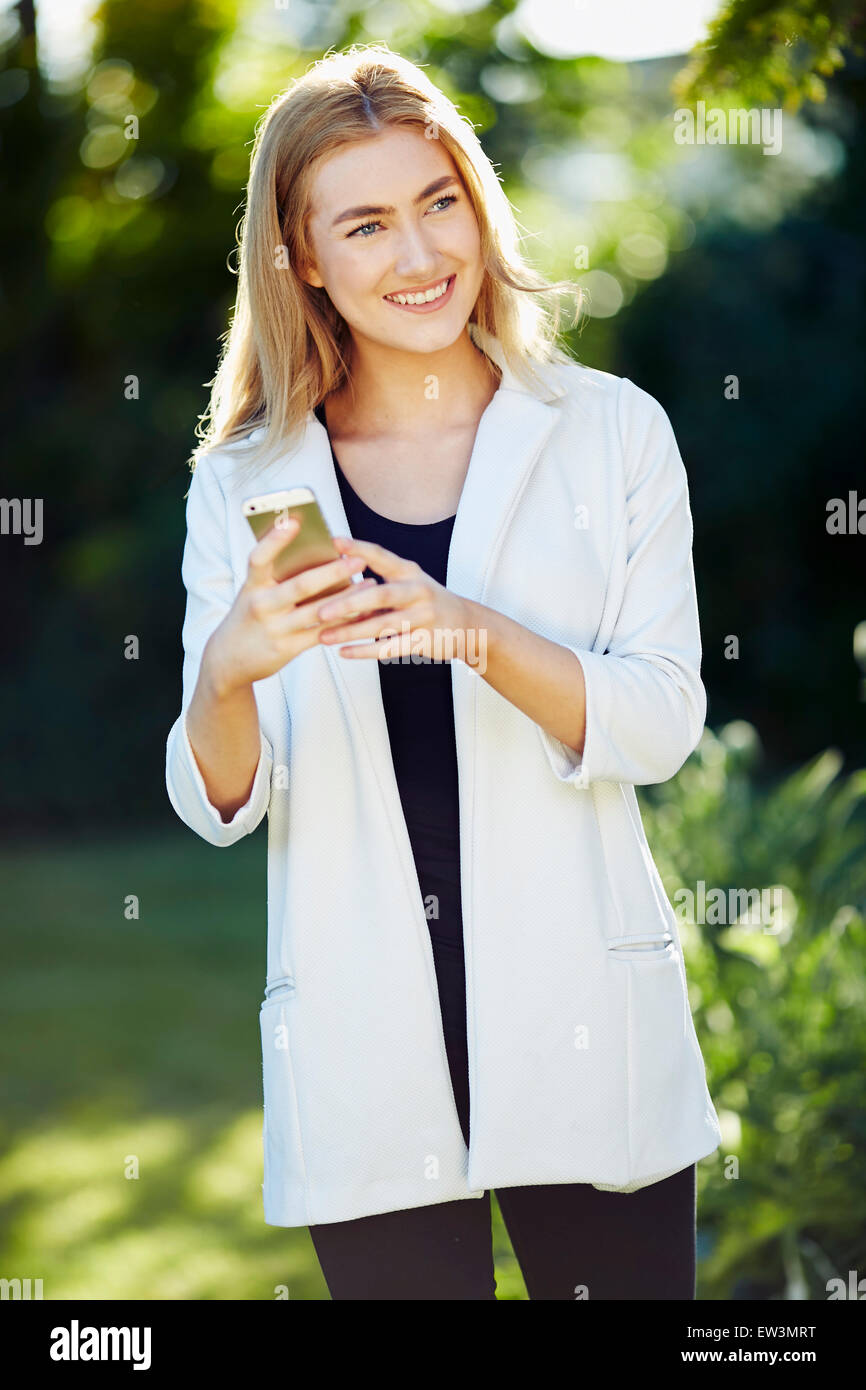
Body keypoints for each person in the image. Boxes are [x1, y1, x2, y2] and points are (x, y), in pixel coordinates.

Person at [165, 44, 721, 1300]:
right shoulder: (247, 482)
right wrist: (228, 673)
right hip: (364, 1045)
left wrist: (470, 631)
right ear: (300, 257)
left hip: (583, 1024)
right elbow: (218, 798)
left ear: (477, 202)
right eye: (364, 224)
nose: (419, 258)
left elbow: (660, 719)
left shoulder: (610, 430)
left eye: (438, 202)